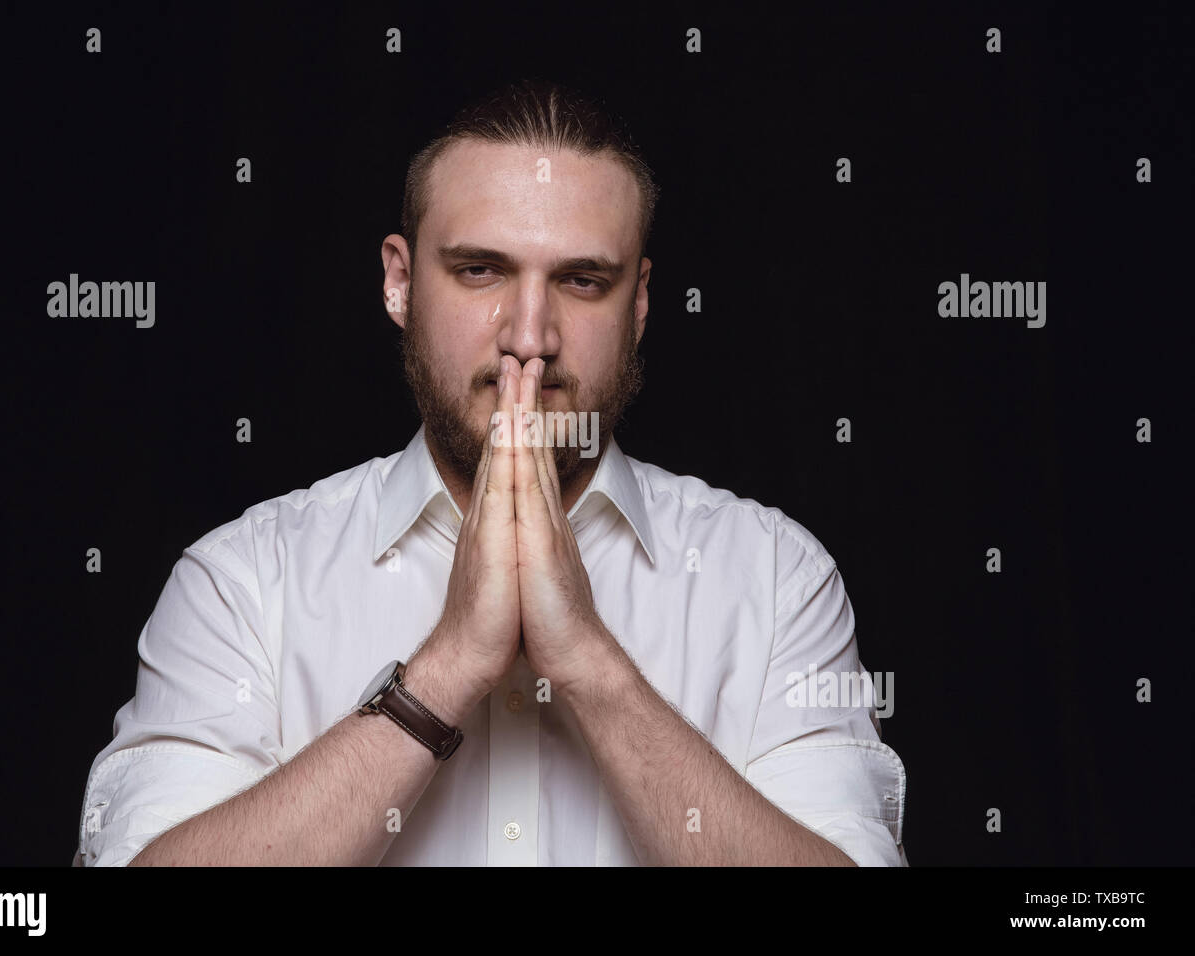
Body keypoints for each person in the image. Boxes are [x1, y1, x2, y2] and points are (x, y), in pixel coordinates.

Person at [74, 78, 907, 866]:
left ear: (642, 305)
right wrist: (447, 667)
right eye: (481, 271)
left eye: (583, 281)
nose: (530, 338)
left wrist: (584, 659)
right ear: (400, 283)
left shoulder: (775, 576)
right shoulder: (244, 581)